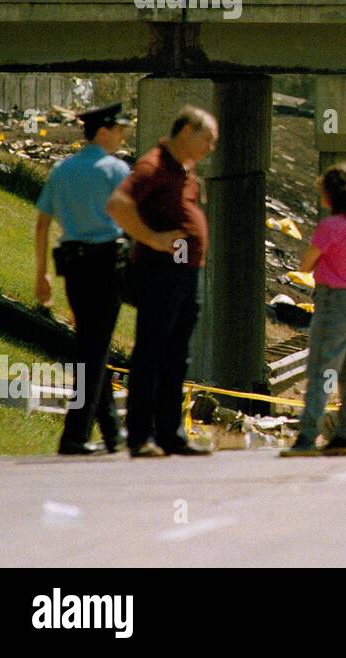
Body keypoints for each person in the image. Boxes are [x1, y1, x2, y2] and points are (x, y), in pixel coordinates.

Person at [107, 106, 217, 457]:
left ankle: (171, 434)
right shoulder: (153, 165)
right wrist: (152, 238)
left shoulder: (185, 171)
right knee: (151, 352)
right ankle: (140, 436)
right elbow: (119, 203)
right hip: (160, 272)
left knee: (177, 354)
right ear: (186, 130)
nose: (211, 147)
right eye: (208, 139)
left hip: (185, 270)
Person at [34, 103, 133, 455]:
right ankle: (74, 436)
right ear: (103, 131)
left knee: (93, 343)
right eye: (120, 129)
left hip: (73, 267)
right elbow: (132, 217)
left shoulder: (61, 170)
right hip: (107, 265)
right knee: (93, 346)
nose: (124, 135)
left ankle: (112, 433)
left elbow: (43, 223)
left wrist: (41, 273)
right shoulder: (115, 170)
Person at [283, 164, 346, 457]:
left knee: (322, 369)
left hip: (335, 302)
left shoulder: (330, 226)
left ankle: (307, 438)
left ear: (331, 195)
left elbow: (305, 265)